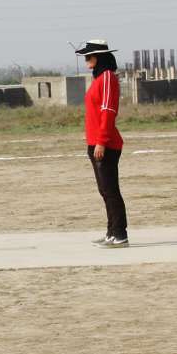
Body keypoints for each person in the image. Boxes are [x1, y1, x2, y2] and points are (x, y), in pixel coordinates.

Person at [76, 39, 128, 248]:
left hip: (105, 144)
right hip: (95, 142)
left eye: (89, 56)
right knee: (104, 190)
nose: (87, 60)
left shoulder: (107, 78)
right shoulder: (98, 78)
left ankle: (120, 234)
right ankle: (111, 232)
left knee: (110, 189)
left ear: (99, 57)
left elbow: (108, 111)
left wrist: (101, 142)